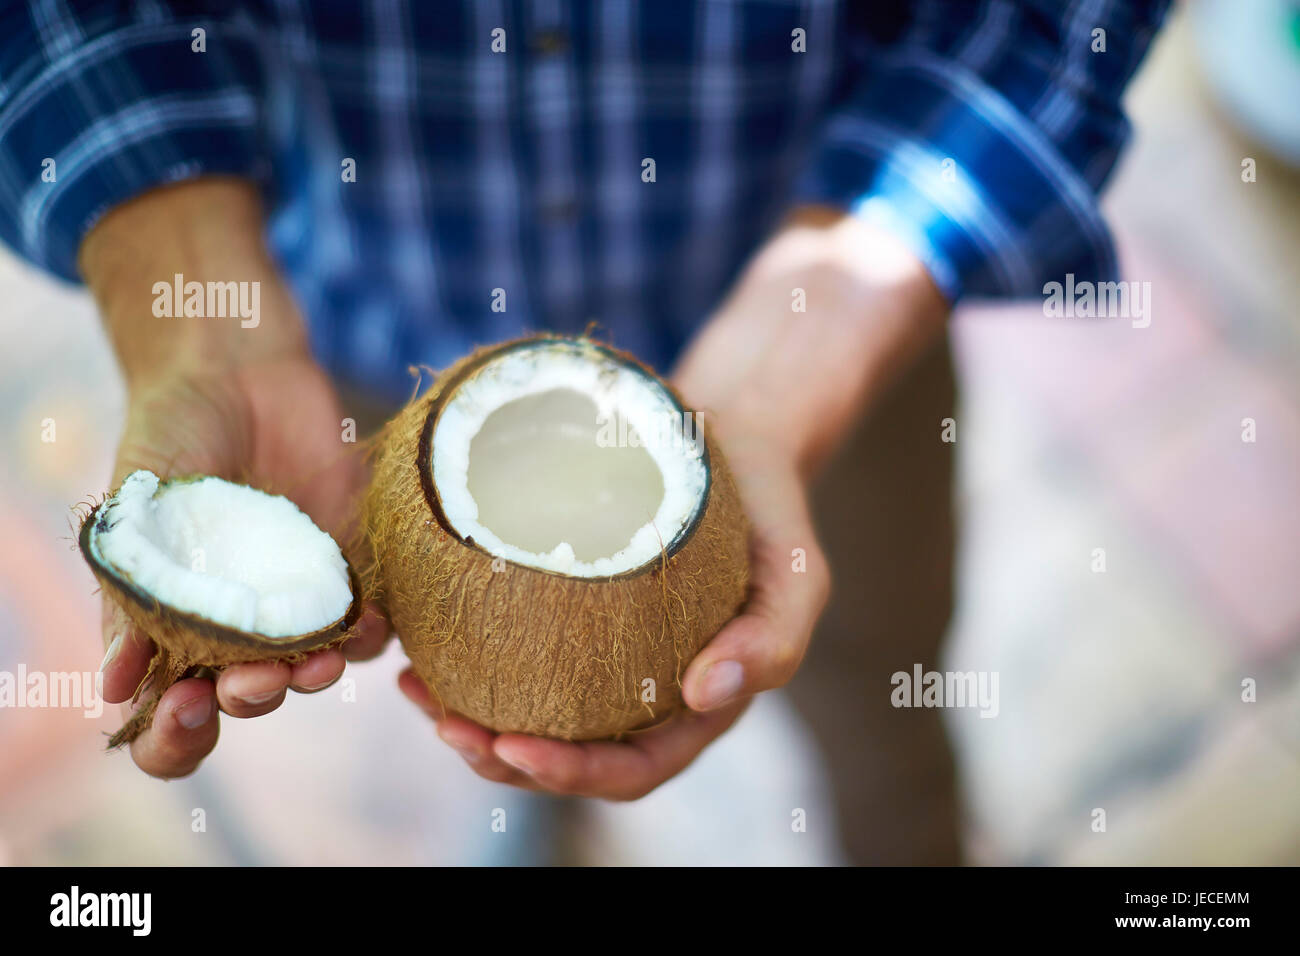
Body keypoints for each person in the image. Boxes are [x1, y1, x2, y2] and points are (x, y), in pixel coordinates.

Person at [0, 1, 1168, 860]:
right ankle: (532, 783)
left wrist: (864, 268)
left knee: (884, 681)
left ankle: (906, 828)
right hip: (349, 339)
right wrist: (199, 315)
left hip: (825, 330)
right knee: (484, 684)